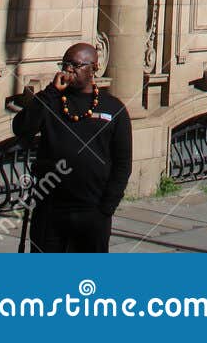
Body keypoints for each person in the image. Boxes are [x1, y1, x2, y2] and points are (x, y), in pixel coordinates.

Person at [12, 42, 131, 252]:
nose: (68, 70)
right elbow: (22, 128)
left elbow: (123, 163)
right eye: (65, 64)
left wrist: (107, 207)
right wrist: (50, 92)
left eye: (75, 65)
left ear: (93, 68)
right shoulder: (51, 101)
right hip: (51, 208)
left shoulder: (113, 108)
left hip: (92, 210)